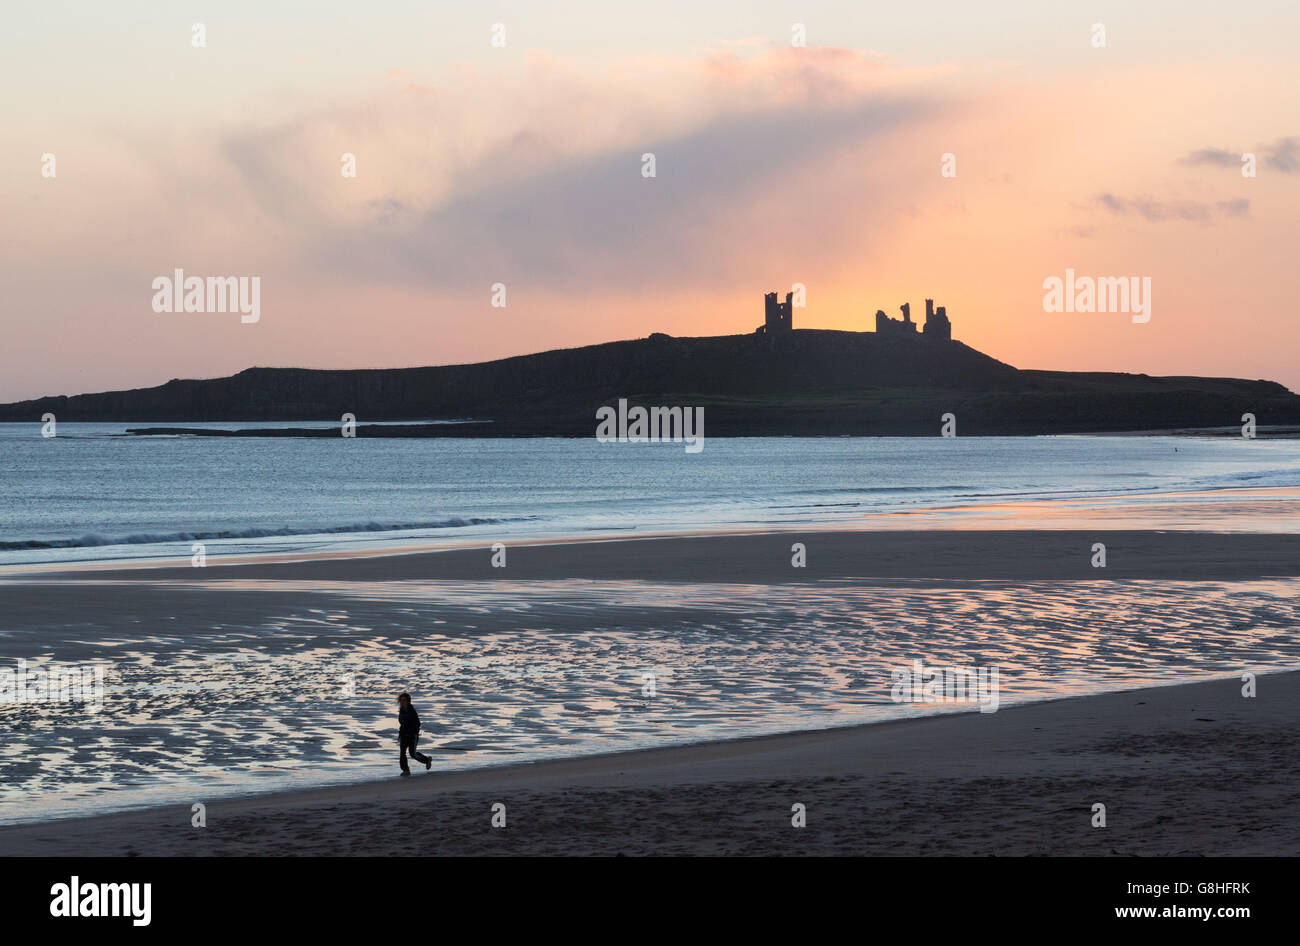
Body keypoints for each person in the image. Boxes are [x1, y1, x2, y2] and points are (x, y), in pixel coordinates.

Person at [397, 692, 432, 776]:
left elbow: (417, 724)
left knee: (412, 753)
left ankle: (427, 760)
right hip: (404, 735)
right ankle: (406, 770)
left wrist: (413, 733)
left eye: (404, 700)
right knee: (402, 753)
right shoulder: (401, 710)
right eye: (401, 700)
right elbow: (402, 724)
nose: (402, 702)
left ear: (408, 701)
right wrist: (400, 734)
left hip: (412, 736)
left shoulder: (412, 711)